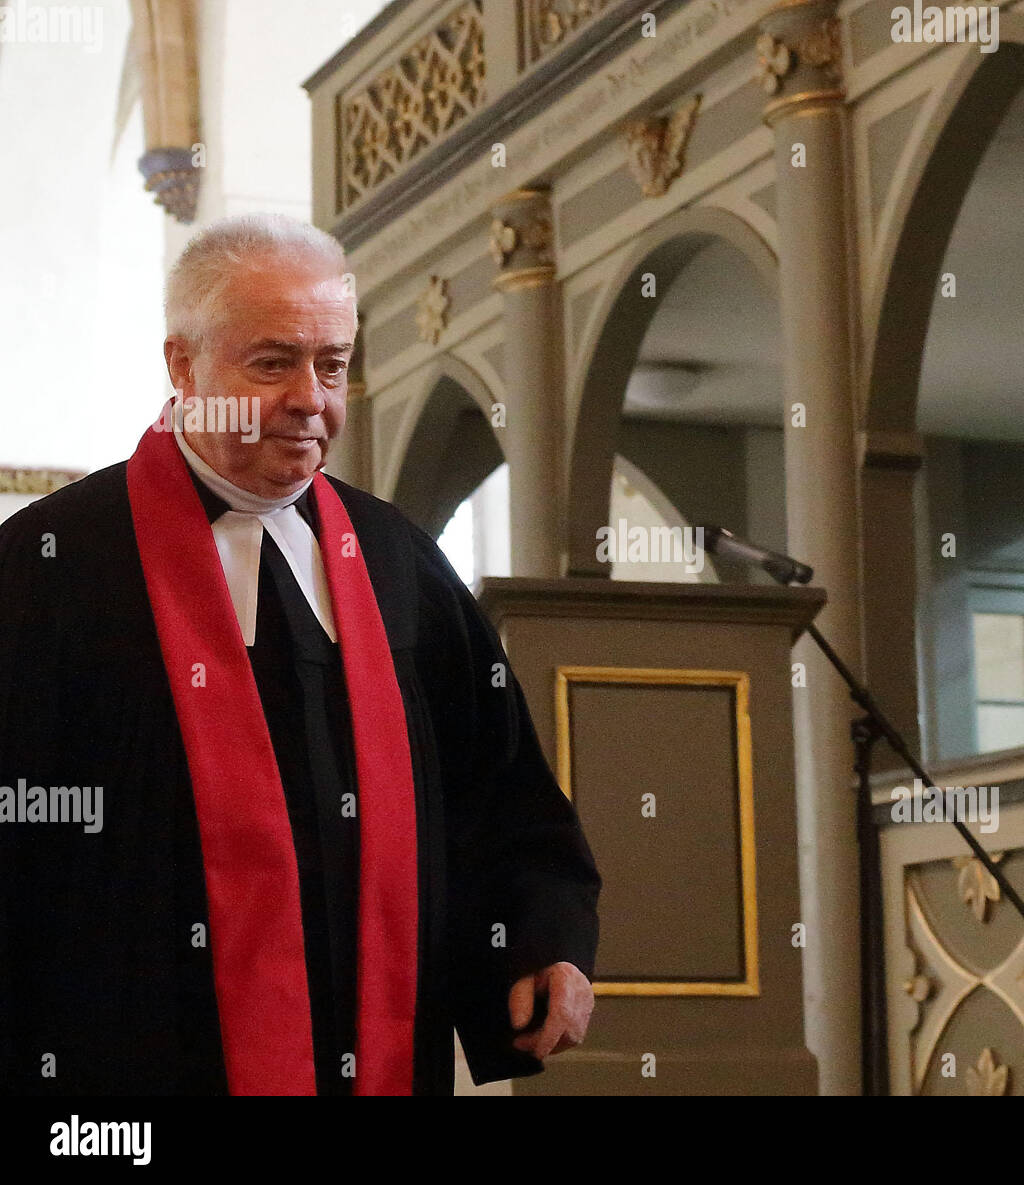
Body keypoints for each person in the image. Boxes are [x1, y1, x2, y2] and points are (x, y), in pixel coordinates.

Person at [0, 213, 601, 1096]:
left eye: (332, 365)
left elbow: (500, 789)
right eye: (273, 363)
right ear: (182, 365)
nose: (311, 399)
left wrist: (543, 936)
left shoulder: (398, 561)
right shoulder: (52, 564)